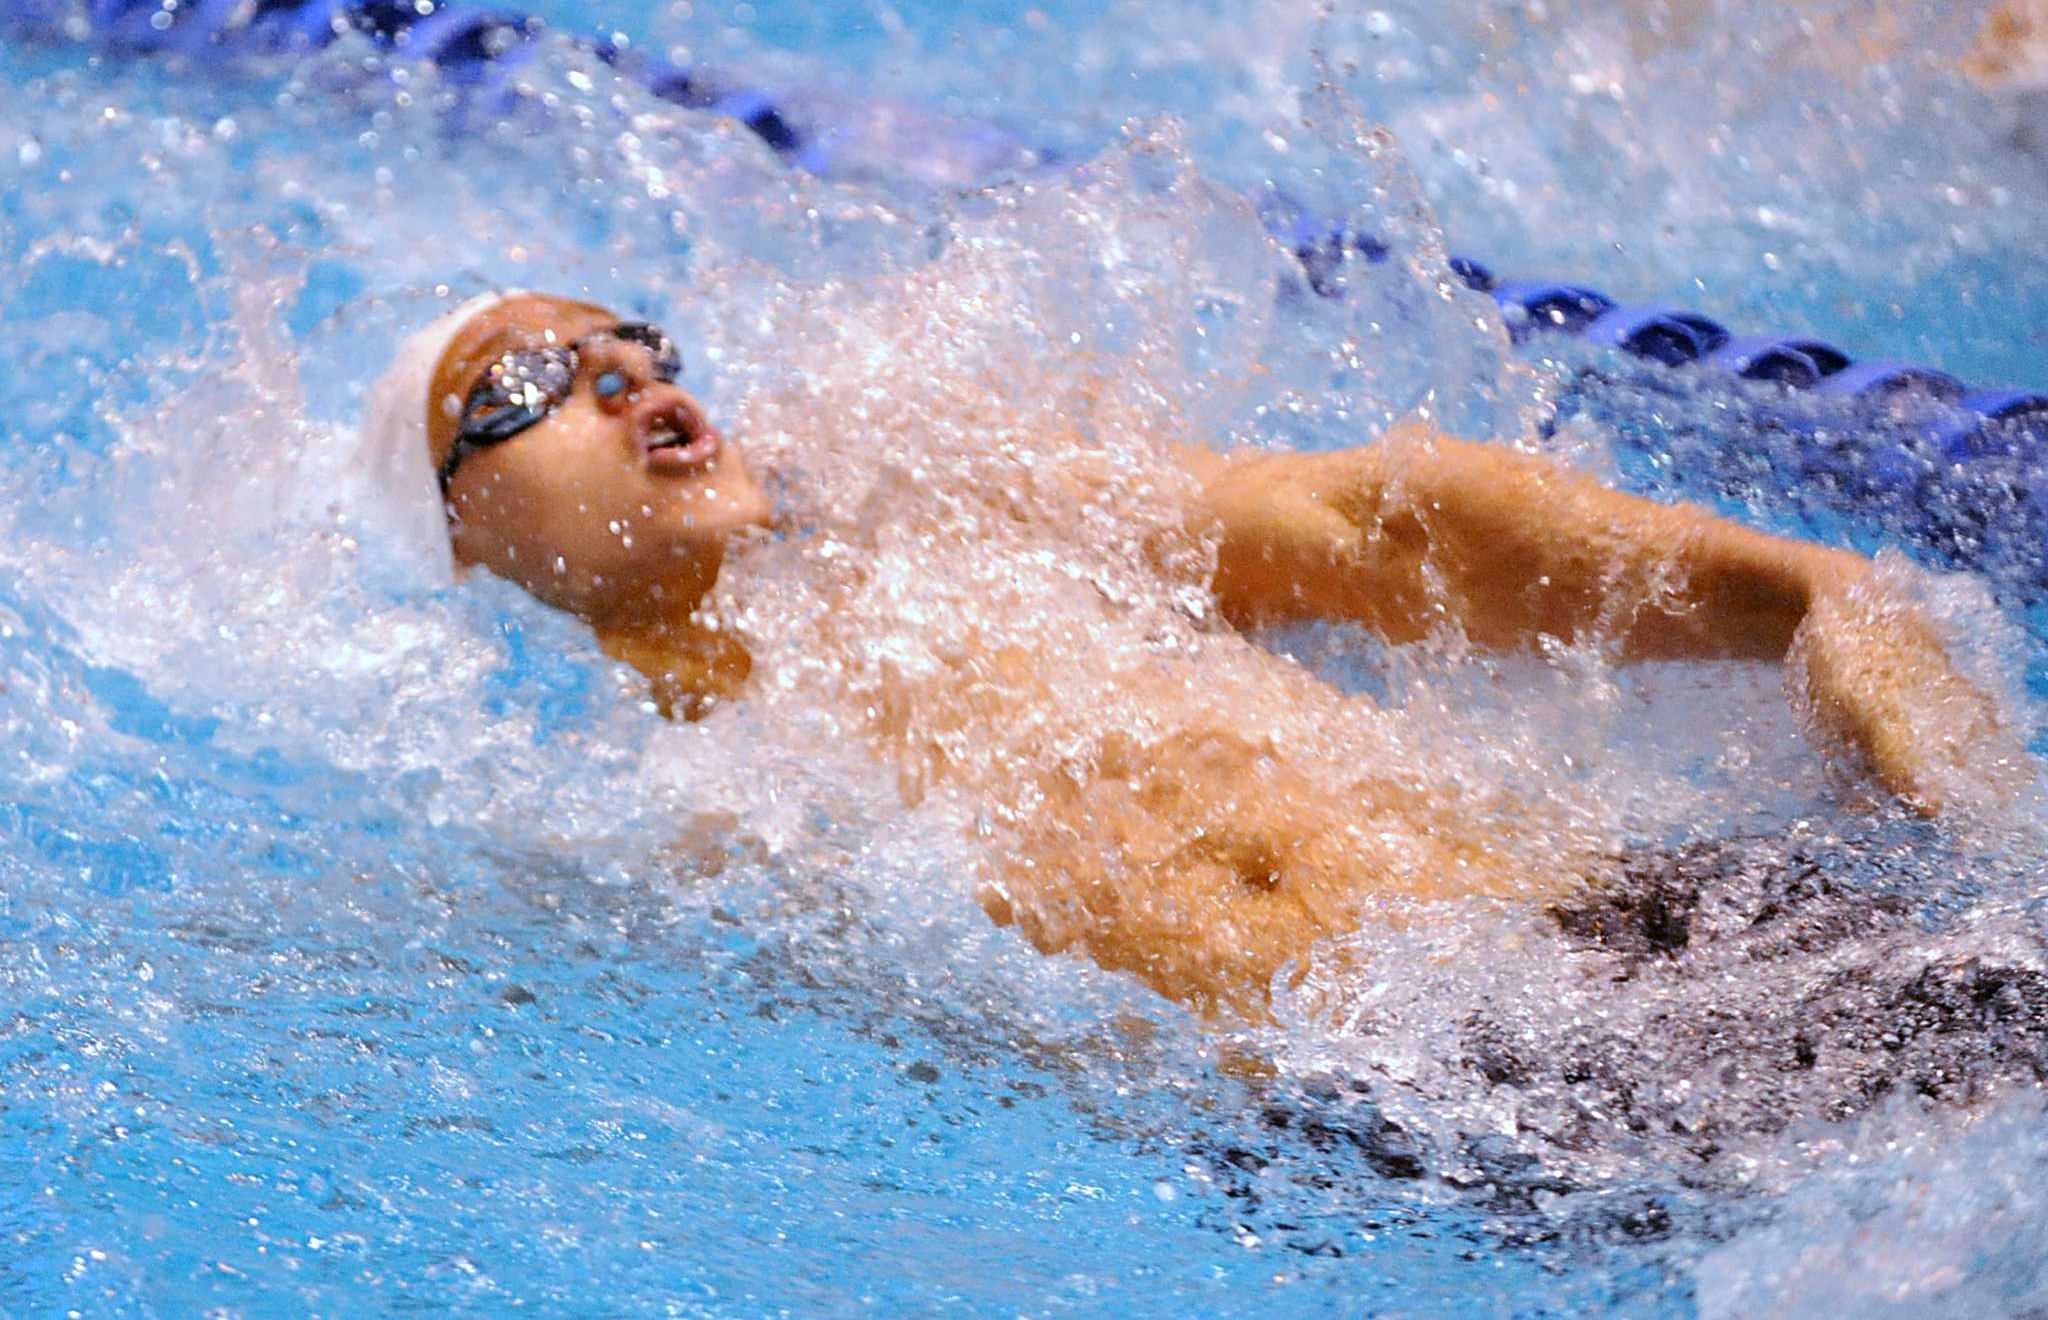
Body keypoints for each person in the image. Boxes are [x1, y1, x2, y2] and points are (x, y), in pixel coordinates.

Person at [365, 287, 2022, 1018]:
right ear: (453, 536)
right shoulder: (620, 827)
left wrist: (1805, 595)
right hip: (1422, 1117)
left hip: (1646, 928)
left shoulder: (948, 506)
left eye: (633, 345)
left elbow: (1381, 526)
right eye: (525, 389)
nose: (631, 385)